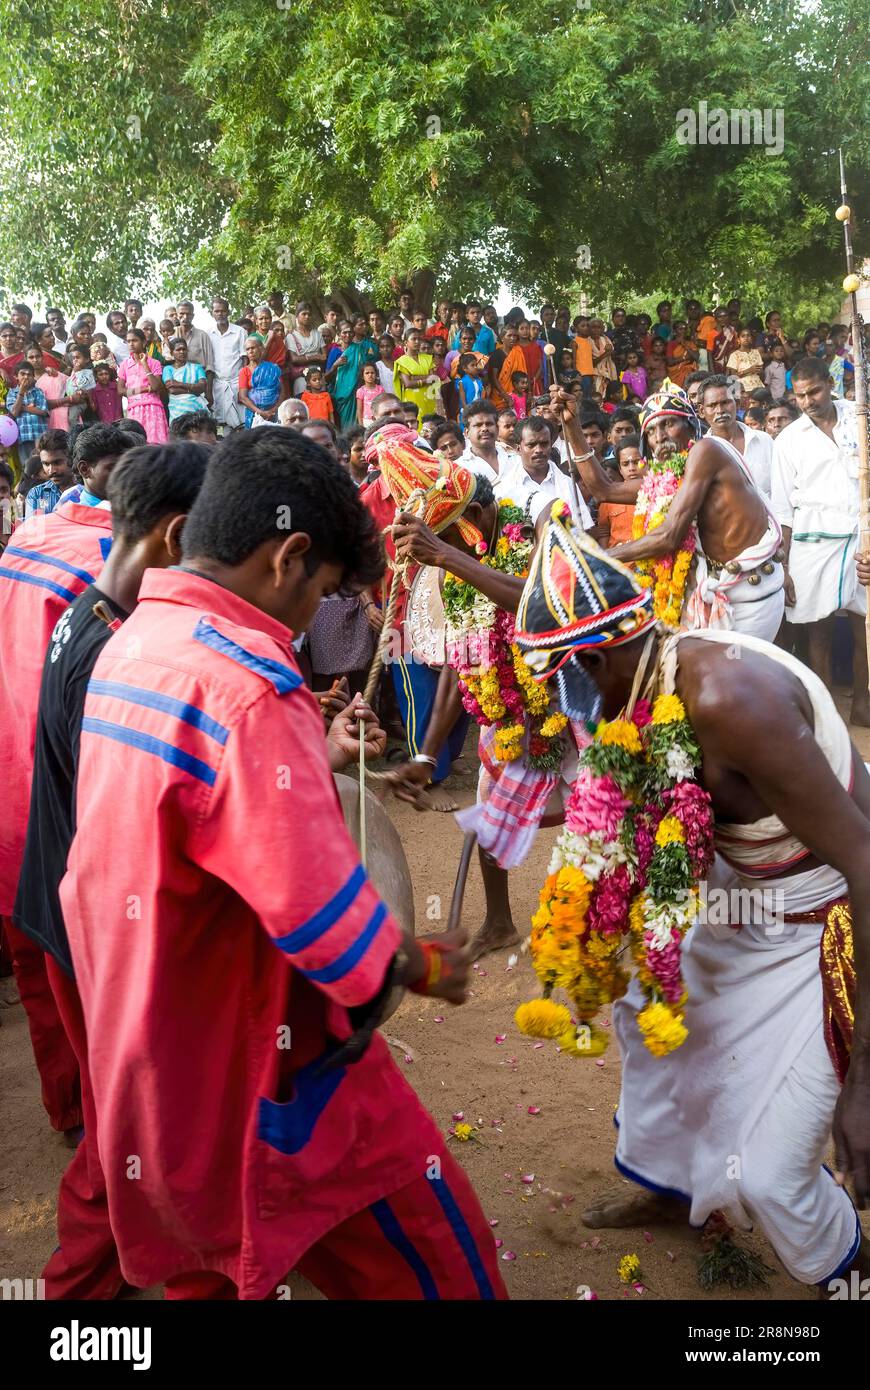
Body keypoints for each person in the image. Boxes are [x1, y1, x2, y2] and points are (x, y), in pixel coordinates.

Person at [59, 426, 506, 1302]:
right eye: (327, 588)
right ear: (289, 556)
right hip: (273, 1075)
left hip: (154, 1063)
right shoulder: (247, 684)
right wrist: (421, 962)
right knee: (447, 1274)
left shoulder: (138, 639)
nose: (317, 613)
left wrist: (316, 757)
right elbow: (331, 937)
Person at [512, 510, 870, 1292]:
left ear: (605, 655)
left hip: (836, 920)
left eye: (567, 675)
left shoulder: (725, 700)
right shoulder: (638, 670)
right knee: (647, 1008)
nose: (568, 701)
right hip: (747, 903)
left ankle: (849, 1271)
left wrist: (867, 1083)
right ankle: (677, 1189)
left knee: (775, 1177)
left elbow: (868, 864)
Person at [14, 441, 211, 1299]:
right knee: (125, 1140)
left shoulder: (90, 616)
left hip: (67, 920)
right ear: (174, 539)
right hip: (95, 939)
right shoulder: (115, 656)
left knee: (120, 1124)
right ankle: (82, 1291)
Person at [0, 424, 129, 1140]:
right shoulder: (113, 563)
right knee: (92, 974)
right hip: (64, 785)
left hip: (11, 781)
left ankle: (72, 1113)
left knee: (39, 964)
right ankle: (104, 1126)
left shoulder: (32, 533)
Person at [563, 380, 785, 639]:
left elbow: (669, 536)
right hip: (716, 595)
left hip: (750, 598)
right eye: (651, 431)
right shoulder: (667, 477)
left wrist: (596, 558)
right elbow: (604, 491)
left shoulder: (706, 451)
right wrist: (571, 427)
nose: (660, 437)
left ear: (690, 427)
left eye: (669, 424)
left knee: (732, 677)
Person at [771, 356, 867, 725]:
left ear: (830, 384)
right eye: (800, 396)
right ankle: (826, 713)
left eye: (814, 392)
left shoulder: (860, 417)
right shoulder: (789, 441)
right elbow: (783, 510)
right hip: (813, 540)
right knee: (818, 630)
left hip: (862, 534)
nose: (808, 401)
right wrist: (785, 566)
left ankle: (862, 703)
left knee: (865, 627)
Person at [495, 415, 593, 528]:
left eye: (544, 444)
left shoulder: (568, 484)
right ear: (518, 448)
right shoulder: (504, 489)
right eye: (531, 445)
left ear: (551, 445)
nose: (539, 450)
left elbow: (583, 527)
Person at [698, 374, 774, 496]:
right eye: (712, 405)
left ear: (737, 404)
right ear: (702, 411)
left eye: (725, 402)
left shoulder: (764, 440)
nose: (720, 410)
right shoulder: (699, 453)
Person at [118, 328, 168, 443]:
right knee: (137, 444)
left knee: (155, 444)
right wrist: (144, 389)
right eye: (128, 341)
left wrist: (145, 364)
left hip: (153, 408)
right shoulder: (125, 365)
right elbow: (120, 391)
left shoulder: (154, 363)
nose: (131, 344)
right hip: (134, 409)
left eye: (134, 340)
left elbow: (155, 386)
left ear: (144, 342)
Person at [328, 315, 378, 430]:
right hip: (343, 397)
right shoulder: (335, 351)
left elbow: (366, 370)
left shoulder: (360, 349)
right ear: (339, 333)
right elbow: (326, 378)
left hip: (360, 394)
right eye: (344, 332)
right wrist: (335, 365)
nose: (348, 335)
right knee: (347, 428)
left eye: (350, 332)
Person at [209, 297, 247, 431]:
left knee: (240, 423)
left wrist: (244, 385)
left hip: (236, 383)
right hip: (217, 384)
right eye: (217, 311)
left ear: (229, 312)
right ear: (211, 313)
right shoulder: (208, 334)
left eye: (223, 311)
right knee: (220, 423)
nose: (220, 314)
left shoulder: (240, 332)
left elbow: (245, 358)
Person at [598, 434, 642, 547]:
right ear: (620, 469)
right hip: (619, 562)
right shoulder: (610, 498)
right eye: (625, 464)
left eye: (637, 462)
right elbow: (604, 533)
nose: (631, 468)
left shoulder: (660, 493)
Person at [459, 399, 515, 481]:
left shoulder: (514, 459)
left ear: (497, 428)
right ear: (466, 432)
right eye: (478, 425)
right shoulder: (460, 468)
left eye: (489, 424)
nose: (484, 429)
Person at [23, 430, 73, 517]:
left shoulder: (86, 490)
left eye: (57, 462)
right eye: (46, 464)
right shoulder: (36, 494)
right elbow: (31, 529)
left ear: (71, 458)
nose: (51, 470)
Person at [7, 360, 49, 463]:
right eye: (22, 374)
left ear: (33, 377)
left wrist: (23, 407)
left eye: (29, 374)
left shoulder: (38, 392)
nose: (26, 377)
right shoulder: (12, 393)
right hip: (23, 437)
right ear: (16, 376)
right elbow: (13, 413)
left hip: (40, 436)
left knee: (42, 463)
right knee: (27, 466)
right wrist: (21, 393)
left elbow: (43, 411)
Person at [394, 329, 439, 423]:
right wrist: (426, 378)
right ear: (406, 342)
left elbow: (434, 378)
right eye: (413, 339)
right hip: (412, 400)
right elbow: (408, 383)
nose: (417, 341)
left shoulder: (427, 358)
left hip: (429, 398)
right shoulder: (402, 362)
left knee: (430, 426)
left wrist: (414, 377)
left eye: (419, 339)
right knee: (415, 425)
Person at [163, 337, 210, 425]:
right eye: (178, 349)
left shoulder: (196, 367)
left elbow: (202, 387)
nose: (182, 352)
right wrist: (193, 390)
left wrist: (179, 384)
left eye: (184, 349)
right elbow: (172, 390)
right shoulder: (168, 369)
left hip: (196, 408)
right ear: (172, 352)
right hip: (177, 410)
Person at [285, 301, 326, 397]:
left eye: (309, 314)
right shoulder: (291, 336)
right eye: (304, 314)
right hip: (301, 378)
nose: (307, 317)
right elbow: (294, 359)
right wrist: (316, 356)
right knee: (303, 408)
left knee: (321, 407)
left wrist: (304, 357)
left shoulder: (317, 334)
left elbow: (324, 356)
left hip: (319, 378)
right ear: (297, 316)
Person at [63, 345, 96, 430]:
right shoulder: (73, 373)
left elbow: (84, 387)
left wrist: (78, 373)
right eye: (73, 358)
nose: (75, 360)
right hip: (71, 400)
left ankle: (77, 432)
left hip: (81, 402)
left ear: (86, 359)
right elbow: (69, 386)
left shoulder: (88, 373)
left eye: (78, 357)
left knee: (72, 417)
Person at [727, 327, 765, 392]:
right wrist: (749, 370)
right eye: (743, 336)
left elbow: (762, 374)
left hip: (758, 387)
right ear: (738, 340)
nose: (746, 338)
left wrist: (761, 372)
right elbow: (733, 376)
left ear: (752, 339)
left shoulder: (756, 352)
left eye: (748, 335)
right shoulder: (734, 355)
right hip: (743, 389)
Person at [665, 320, 699, 388]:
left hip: (688, 374)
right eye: (680, 329)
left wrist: (685, 345)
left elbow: (696, 357)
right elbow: (669, 362)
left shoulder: (690, 343)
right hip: (675, 375)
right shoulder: (671, 344)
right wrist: (685, 358)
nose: (683, 331)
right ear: (675, 332)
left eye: (685, 328)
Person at [355, 361, 384, 425]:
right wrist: (361, 424)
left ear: (376, 375)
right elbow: (359, 410)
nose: (370, 375)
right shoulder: (360, 391)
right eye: (367, 373)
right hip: (366, 421)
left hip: (379, 419)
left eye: (372, 373)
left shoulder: (380, 389)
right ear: (362, 376)